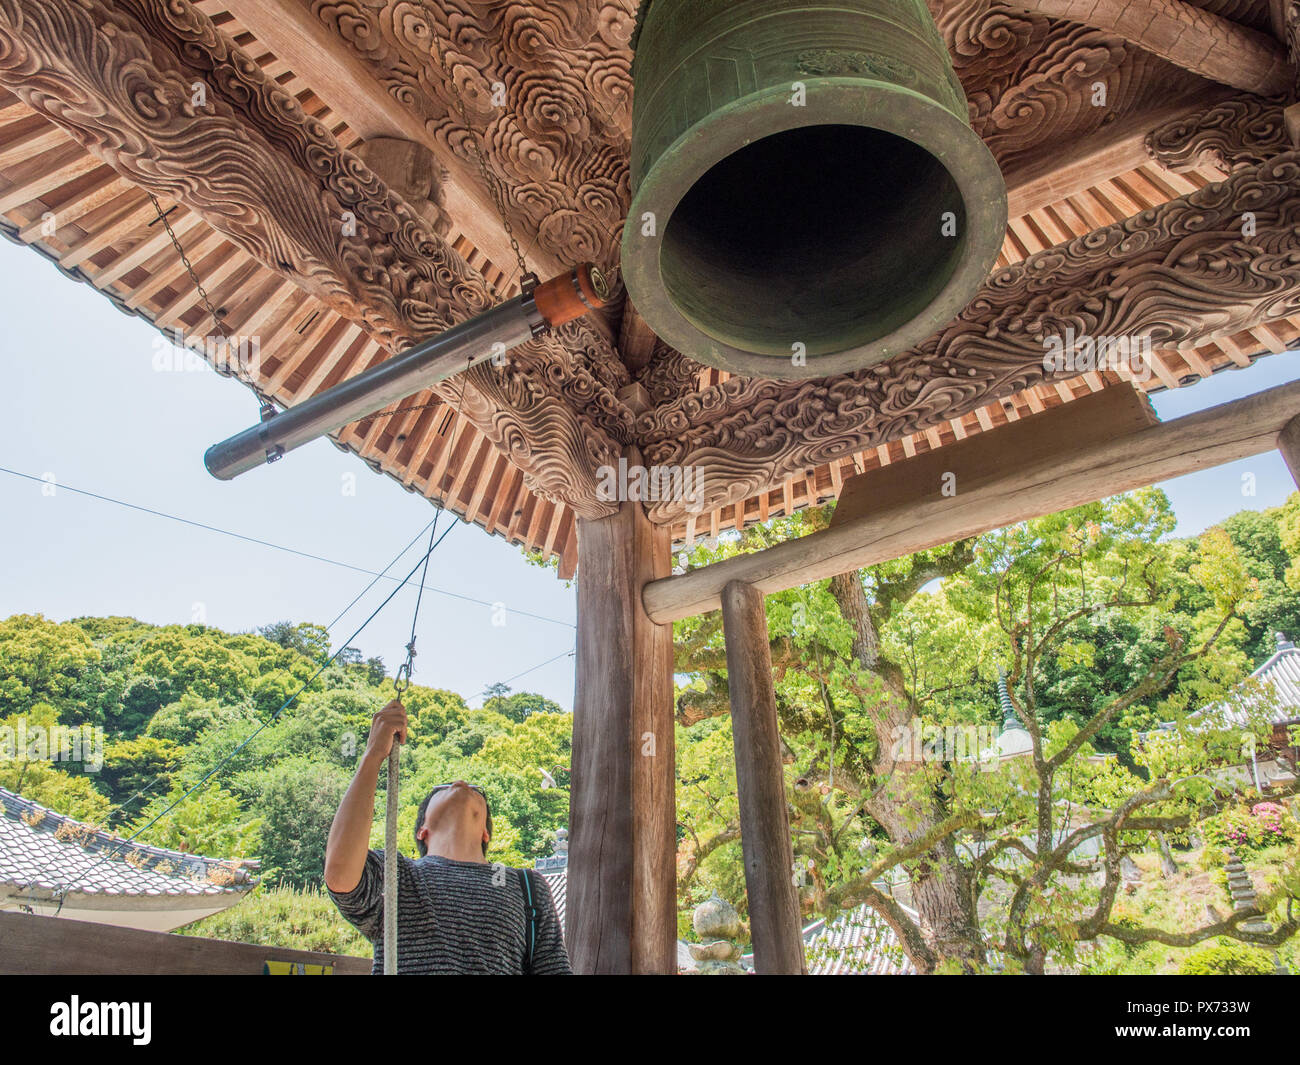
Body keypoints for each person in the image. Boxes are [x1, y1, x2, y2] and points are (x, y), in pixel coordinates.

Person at [324, 699, 570, 974]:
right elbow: (340, 875)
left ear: (485, 833)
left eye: (474, 791)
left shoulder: (527, 886)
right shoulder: (398, 874)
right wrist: (372, 755)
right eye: (444, 789)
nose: (460, 784)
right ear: (422, 830)